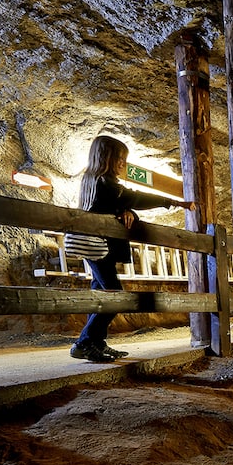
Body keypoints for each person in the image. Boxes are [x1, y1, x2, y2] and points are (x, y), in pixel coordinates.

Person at [70, 135, 195, 362]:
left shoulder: (92, 180)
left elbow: (119, 205)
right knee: (115, 294)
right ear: (106, 157)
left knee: (101, 292)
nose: (122, 164)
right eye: (119, 159)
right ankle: (84, 342)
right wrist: (173, 202)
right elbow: (134, 198)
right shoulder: (105, 183)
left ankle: (96, 342)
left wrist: (127, 211)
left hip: (95, 244)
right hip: (97, 244)